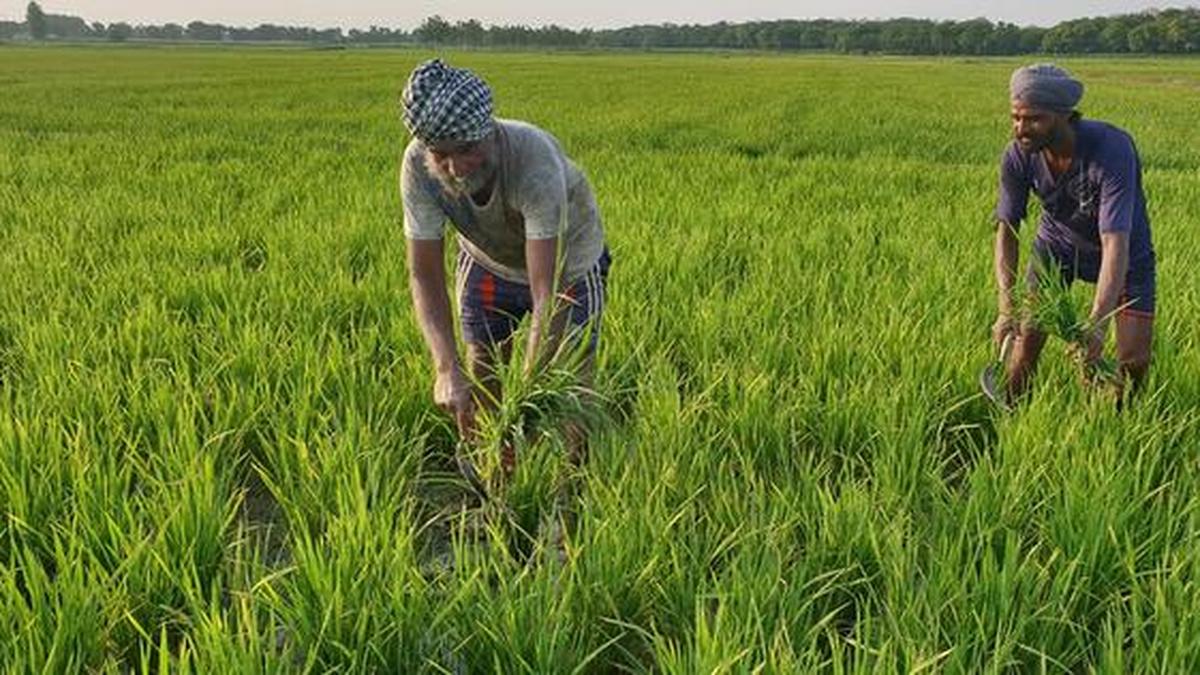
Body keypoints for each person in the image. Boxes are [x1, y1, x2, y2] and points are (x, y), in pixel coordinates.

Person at [399, 58, 611, 468]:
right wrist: (445, 369)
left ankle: (574, 478)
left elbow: (544, 294)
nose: (456, 169)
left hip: (568, 264)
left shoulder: (533, 161)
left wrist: (524, 405)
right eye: (441, 155)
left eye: (467, 150)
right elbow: (423, 275)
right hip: (487, 258)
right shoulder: (416, 167)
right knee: (481, 361)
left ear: (490, 133)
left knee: (571, 373)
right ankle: (493, 469)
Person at [993, 63, 1156, 402]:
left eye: (1034, 118)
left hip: (1124, 255)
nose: (1021, 129)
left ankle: (1123, 420)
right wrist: (1006, 305)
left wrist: (1097, 323)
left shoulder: (1112, 149)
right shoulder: (1018, 156)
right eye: (1016, 117)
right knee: (1025, 345)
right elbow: (1007, 229)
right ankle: (1009, 417)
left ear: (1065, 115)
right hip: (1056, 249)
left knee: (1134, 361)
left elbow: (1115, 241)